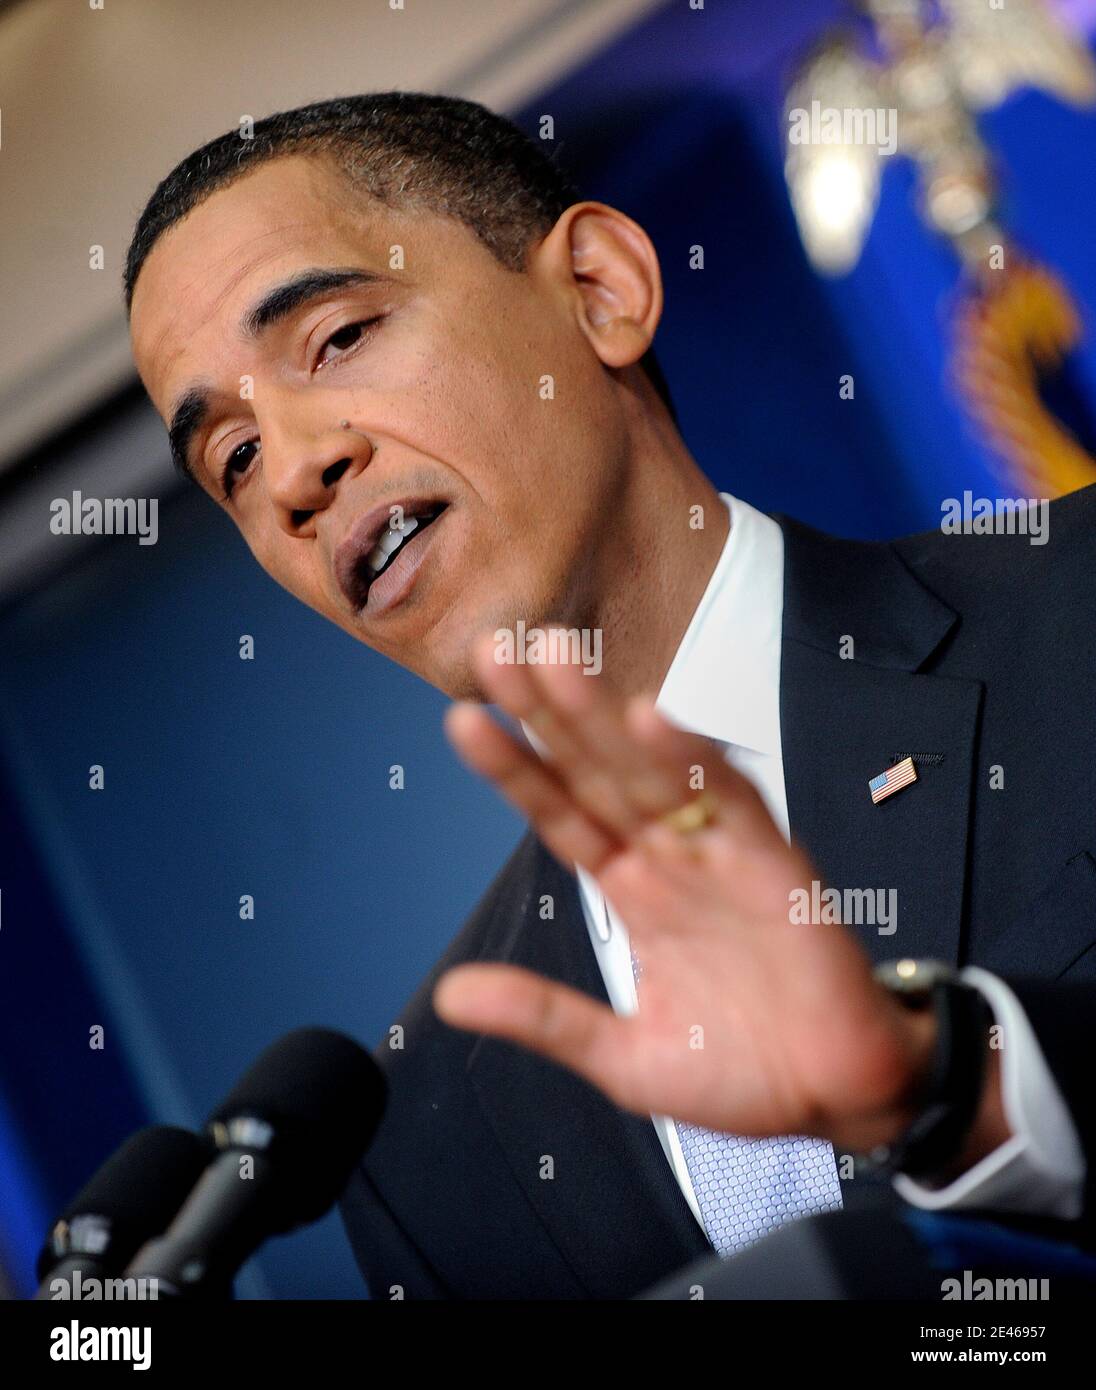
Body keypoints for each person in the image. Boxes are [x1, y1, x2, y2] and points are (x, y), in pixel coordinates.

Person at [124, 92, 1094, 1300]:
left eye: (335, 339)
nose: (298, 474)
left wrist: (951, 1081)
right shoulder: (425, 1144)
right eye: (235, 459)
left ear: (599, 289)